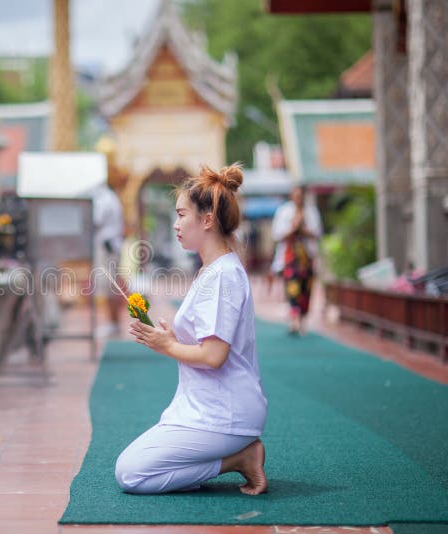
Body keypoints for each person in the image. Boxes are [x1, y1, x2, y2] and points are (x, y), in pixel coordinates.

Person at [117, 164, 268, 495]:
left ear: (207, 220)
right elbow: (206, 343)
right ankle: (236, 455)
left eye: (182, 214)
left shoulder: (222, 276)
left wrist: (165, 346)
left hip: (224, 413)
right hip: (204, 407)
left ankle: (238, 459)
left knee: (131, 474)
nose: (176, 224)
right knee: (133, 468)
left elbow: (213, 356)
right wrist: (172, 338)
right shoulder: (214, 271)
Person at [270, 185, 322, 334]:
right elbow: (277, 234)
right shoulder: (284, 211)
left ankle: (303, 320)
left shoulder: (311, 211)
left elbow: (317, 233)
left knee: (306, 289)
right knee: (292, 288)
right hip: (289, 258)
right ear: (292, 196)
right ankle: (294, 320)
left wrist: (303, 228)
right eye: (296, 196)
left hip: (307, 258)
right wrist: (293, 228)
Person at [93, 182, 125, 337]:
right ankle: (113, 323)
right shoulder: (109, 197)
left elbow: (95, 220)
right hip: (111, 246)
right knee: (110, 287)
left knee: (109, 287)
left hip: (108, 247)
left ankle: (113, 323)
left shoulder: (104, 199)